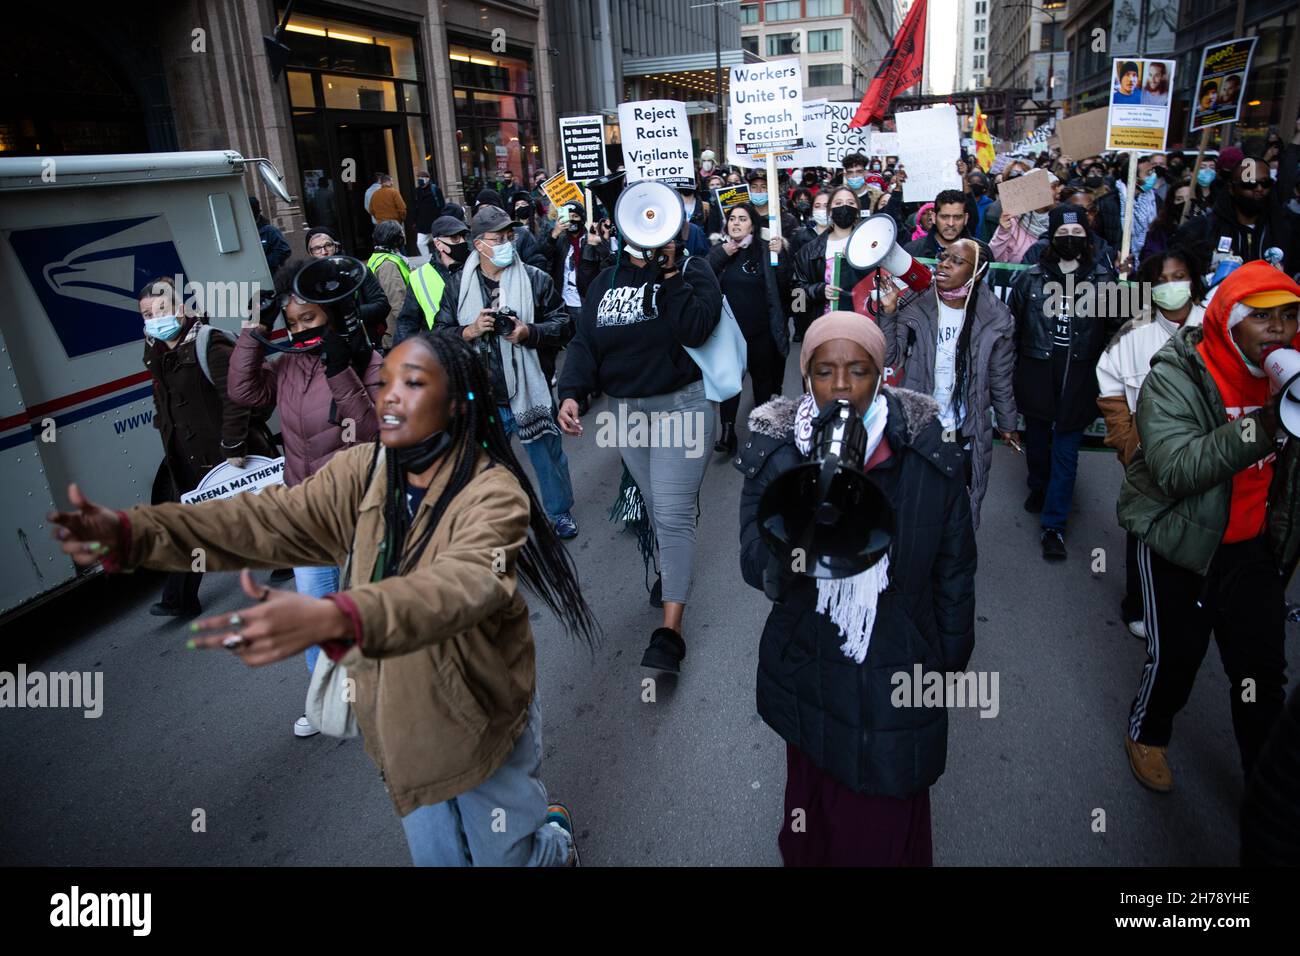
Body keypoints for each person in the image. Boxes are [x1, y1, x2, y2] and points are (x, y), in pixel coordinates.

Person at [51, 329, 599, 866]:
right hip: (402, 735)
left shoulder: (492, 493)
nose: (388, 396)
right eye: (384, 382)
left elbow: (461, 588)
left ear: (457, 404)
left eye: (412, 383)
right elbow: (264, 520)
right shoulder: (362, 471)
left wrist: (340, 618)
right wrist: (137, 534)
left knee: (511, 858)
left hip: (483, 727)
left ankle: (551, 842)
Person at [736, 312, 976, 866]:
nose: (841, 386)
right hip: (811, 666)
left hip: (899, 668)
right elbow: (754, 560)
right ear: (806, 377)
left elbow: (955, 567)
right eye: (824, 371)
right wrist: (801, 528)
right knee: (816, 813)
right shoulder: (775, 455)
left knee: (884, 819)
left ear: (882, 375)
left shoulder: (928, 452)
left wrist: (943, 662)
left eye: (859, 370)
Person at [1117, 262, 1300, 793]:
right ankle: (1147, 734)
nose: (1280, 331)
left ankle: (1264, 783)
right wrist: (1264, 423)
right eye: (1264, 319)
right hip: (1181, 541)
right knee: (1177, 656)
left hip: (1255, 547)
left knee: (1261, 673)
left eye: (1289, 317)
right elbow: (1175, 469)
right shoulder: (1177, 373)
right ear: (1231, 321)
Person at [556, 208, 723, 673]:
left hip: (681, 408)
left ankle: (669, 634)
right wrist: (570, 392)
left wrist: (669, 273)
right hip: (626, 414)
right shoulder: (604, 282)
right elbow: (585, 343)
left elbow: (695, 328)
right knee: (658, 508)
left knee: (670, 515)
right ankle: (674, 570)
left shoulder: (693, 270)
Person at [227, 258, 383, 736]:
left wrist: (341, 371)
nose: (299, 330)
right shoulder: (289, 364)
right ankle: (328, 701)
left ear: (334, 315)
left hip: (357, 513)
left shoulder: (368, 363)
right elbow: (245, 392)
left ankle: (380, 693)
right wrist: (255, 331)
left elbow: (373, 432)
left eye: (309, 320)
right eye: (291, 321)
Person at [136, 275, 277, 618]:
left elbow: (235, 397)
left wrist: (234, 443)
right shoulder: (155, 354)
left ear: (181, 310)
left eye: (162, 309)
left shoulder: (208, 343)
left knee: (259, 511)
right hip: (186, 456)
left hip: (228, 451)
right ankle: (180, 597)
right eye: (147, 314)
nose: (155, 319)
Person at [434, 205, 578, 540]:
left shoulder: (534, 278)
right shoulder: (458, 285)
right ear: (478, 244)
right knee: (485, 464)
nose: (506, 243)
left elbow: (564, 325)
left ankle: (559, 513)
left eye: (509, 236)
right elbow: (437, 335)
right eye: (497, 238)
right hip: (483, 393)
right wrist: (468, 331)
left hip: (530, 390)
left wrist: (529, 333)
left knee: (548, 457)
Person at [1097, 246, 1206, 641]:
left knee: (1198, 526)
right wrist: (1127, 443)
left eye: (1179, 277)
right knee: (1144, 531)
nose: (1171, 286)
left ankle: (1192, 601)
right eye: (1161, 280)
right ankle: (1138, 605)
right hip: (1147, 459)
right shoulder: (1134, 333)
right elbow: (1110, 392)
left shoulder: (1219, 327)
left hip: (1205, 455)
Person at [877, 237, 1018, 528]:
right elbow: (889, 357)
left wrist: (1007, 423)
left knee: (954, 509)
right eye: (943, 257)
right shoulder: (918, 302)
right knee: (914, 504)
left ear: (977, 272)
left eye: (957, 261)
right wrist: (888, 313)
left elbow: (1000, 376)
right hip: (920, 426)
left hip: (963, 431)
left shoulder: (996, 318)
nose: (944, 264)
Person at [1009, 204, 1122, 560]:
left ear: (1087, 238)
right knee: (1039, 443)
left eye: (1077, 235)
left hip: (1080, 374)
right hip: (1038, 370)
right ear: (1051, 237)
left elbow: (1116, 331)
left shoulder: (1104, 280)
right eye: (1063, 234)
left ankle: (1054, 526)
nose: (1070, 240)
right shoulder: (1029, 278)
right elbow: (1013, 328)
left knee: (1066, 452)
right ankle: (1038, 485)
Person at [707, 202, 791, 457]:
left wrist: (781, 256)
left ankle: (762, 430)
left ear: (753, 224)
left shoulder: (765, 251)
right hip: (728, 336)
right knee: (729, 385)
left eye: (742, 219)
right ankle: (727, 431)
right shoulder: (719, 251)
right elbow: (703, 275)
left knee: (763, 382)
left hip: (760, 332)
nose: (736, 223)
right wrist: (724, 253)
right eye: (732, 219)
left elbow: (784, 285)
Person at [1176, 157, 1300, 274]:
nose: (1259, 189)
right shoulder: (1202, 228)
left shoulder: (1289, 228)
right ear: (1231, 188)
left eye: (1265, 183)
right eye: (1249, 184)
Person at [793, 186, 870, 339]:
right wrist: (819, 290)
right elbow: (796, 298)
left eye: (850, 203)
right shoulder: (809, 251)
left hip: (863, 328)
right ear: (830, 211)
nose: (844, 207)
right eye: (838, 203)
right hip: (823, 331)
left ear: (858, 210)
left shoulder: (870, 244)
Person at [537, 200, 592, 385]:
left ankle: (592, 381)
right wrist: (555, 233)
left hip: (586, 303)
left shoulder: (590, 238)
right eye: (569, 218)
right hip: (565, 304)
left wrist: (596, 245)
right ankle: (580, 389)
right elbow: (543, 256)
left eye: (576, 217)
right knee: (573, 350)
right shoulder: (560, 240)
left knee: (588, 347)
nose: (573, 222)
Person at [305, 227, 390, 346]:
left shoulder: (358, 271)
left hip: (365, 341)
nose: (324, 252)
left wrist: (351, 312)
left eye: (328, 245)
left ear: (336, 247)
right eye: (317, 249)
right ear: (310, 253)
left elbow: (382, 305)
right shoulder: (306, 283)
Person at [394, 215, 471, 345]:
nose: (462, 242)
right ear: (438, 244)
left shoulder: (476, 266)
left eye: (464, 236)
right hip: (442, 351)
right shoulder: (420, 277)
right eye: (455, 238)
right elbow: (407, 321)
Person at [367, 221, 412, 349]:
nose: (403, 235)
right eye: (401, 232)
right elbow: (398, 301)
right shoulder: (388, 265)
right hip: (396, 335)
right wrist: (411, 328)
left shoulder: (380, 257)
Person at [1115, 156, 1159, 270]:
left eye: (1153, 171)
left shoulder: (1155, 199)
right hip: (1121, 264)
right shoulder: (1111, 202)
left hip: (1147, 260)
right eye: (1148, 173)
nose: (1153, 175)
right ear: (1135, 179)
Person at [905, 189, 971, 261]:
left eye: (957, 217)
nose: (951, 223)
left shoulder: (979, 253)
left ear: (966, 218)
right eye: (944, 217)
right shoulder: (912, 251)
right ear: (934, 218)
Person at [1139, 179, 1191, 263]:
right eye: (1179, 199)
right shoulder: (1160, 230)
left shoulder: (1204, 227)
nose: (1185, 203)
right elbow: (1151, 259)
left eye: (1189, 198)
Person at [249, 196, 290, 273]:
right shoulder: (246, 232)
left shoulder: (270, 231)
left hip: (271, 275)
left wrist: (264, 262)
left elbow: (284, 251)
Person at [411, 172, 443, 260]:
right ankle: (428, 261)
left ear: (428, 178)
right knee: (420, 243)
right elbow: (415, 207)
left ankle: (441, 259)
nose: (420, 179)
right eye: (418, 177)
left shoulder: (435, 190)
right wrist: (414, 221)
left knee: (439, 243)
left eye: (422, 177)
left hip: (435, 222)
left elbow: (442, 205)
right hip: (422, 224)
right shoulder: (417, 191)